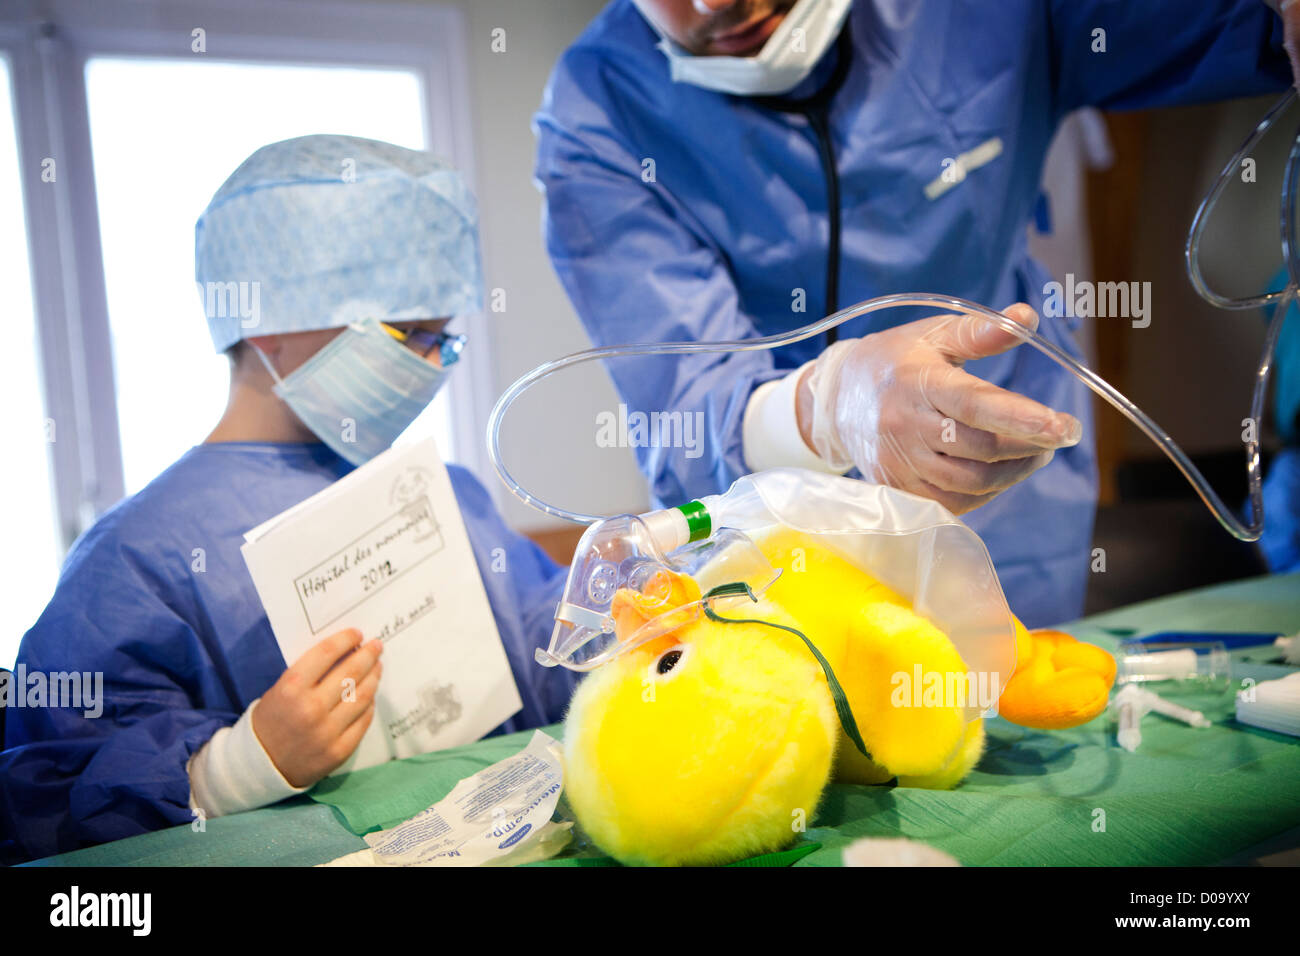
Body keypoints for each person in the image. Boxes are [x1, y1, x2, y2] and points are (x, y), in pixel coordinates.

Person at [534, 0, 1299, 627]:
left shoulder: (983, 17)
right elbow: (687, 406)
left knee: (1001, 736)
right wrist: (827, 408)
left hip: (998, 482)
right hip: (773, 532)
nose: (715, 4)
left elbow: (1232, 23)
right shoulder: (601, 110)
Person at [0, 135, 578, 861]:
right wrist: (240, 767)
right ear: (271, 316)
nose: (430, 364)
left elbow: (544, 646)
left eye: (445, 339)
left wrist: (623, 615)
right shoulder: (134, 562)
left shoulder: (441, 494)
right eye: (408, 332)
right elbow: (47, 801)